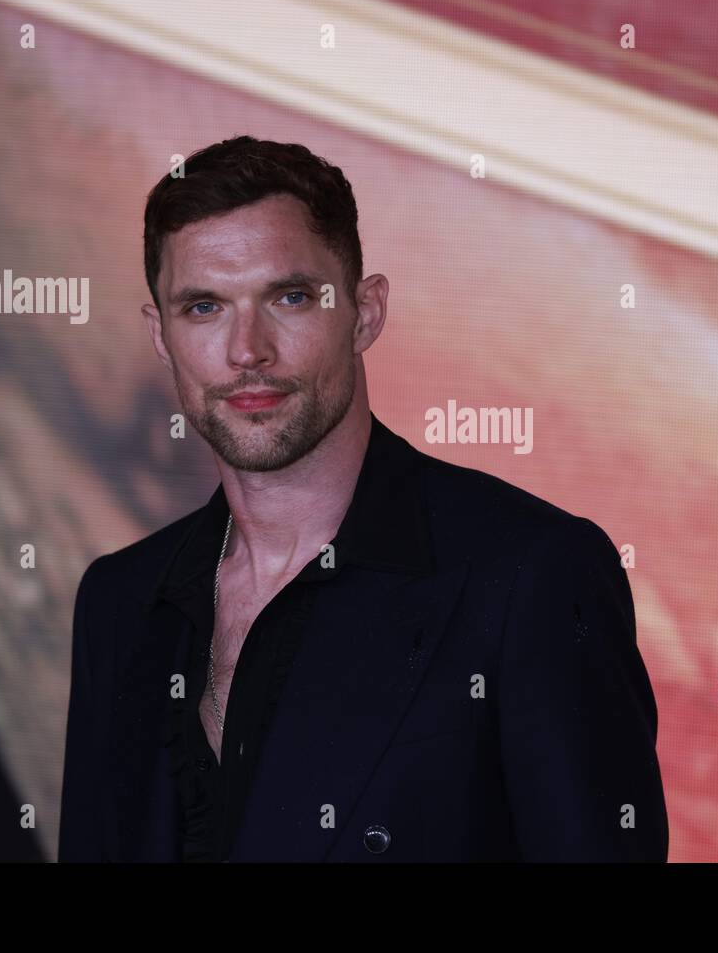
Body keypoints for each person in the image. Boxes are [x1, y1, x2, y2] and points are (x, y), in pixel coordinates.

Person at [57, 136, 667, 862]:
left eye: (289, 297)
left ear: (365, 312)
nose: (247, 348)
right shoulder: (120, 603)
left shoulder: (531, 578)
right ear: (161, 334)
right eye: (204, 307)